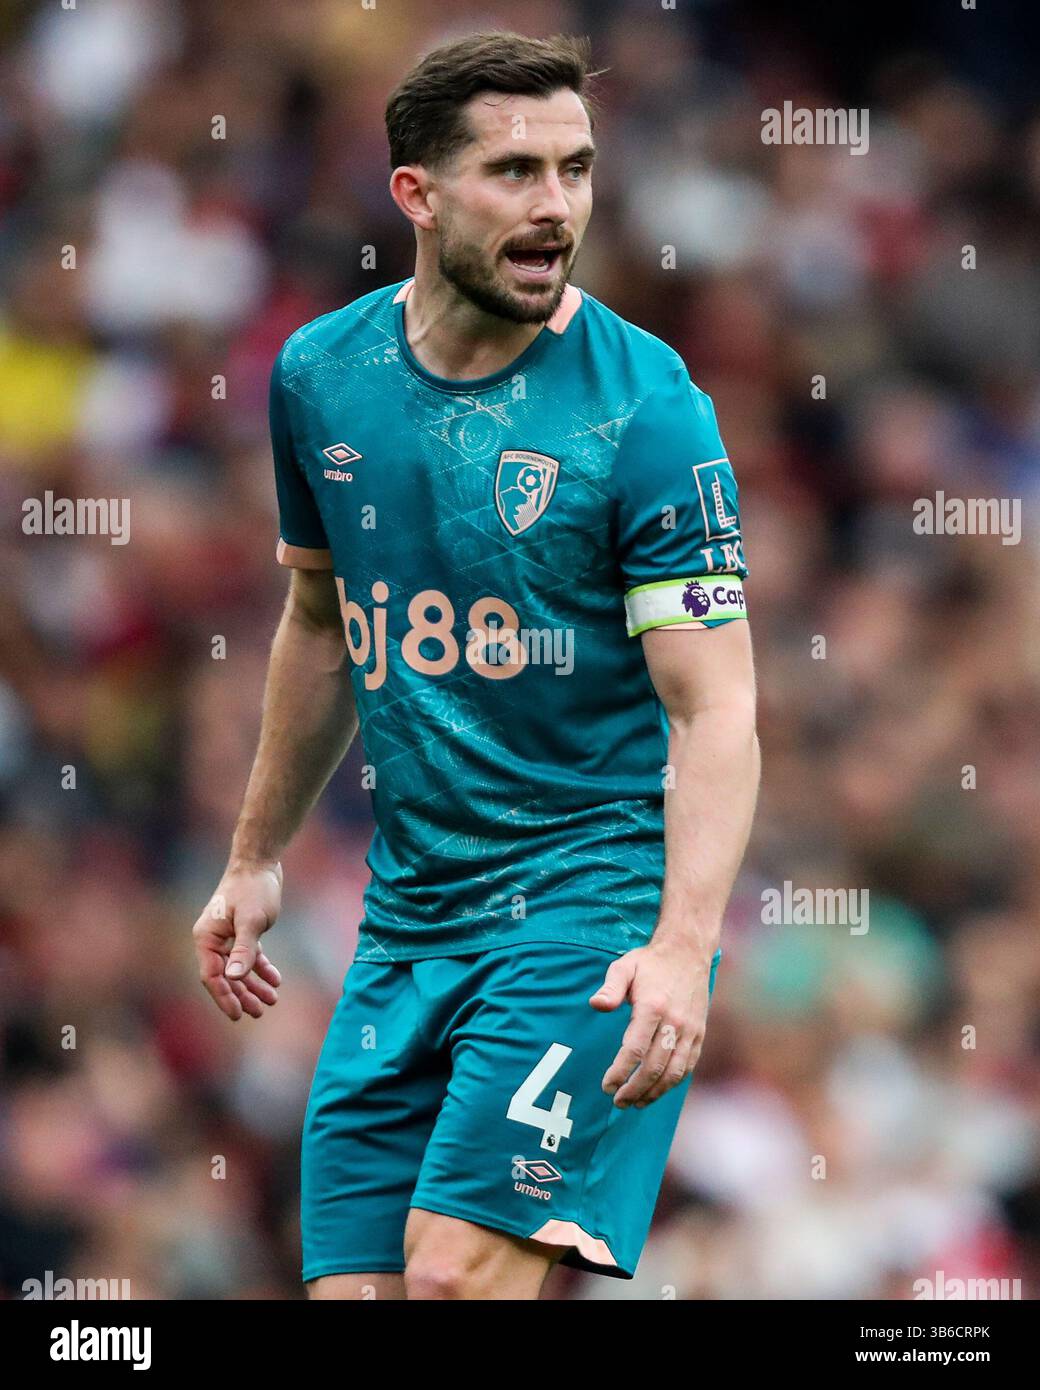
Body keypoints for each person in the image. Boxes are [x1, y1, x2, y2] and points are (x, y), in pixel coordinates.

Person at [192, 30, 760, 1301]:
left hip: (587, 904)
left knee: (450, 1279)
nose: (555, 205)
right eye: (514, 171)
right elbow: (320, 618)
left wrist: (681, 944)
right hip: (408, 919)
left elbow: (715, 706)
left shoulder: (645, 406)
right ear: (416, 193)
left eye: (575, 168)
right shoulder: (321, 376)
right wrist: (255, 854)